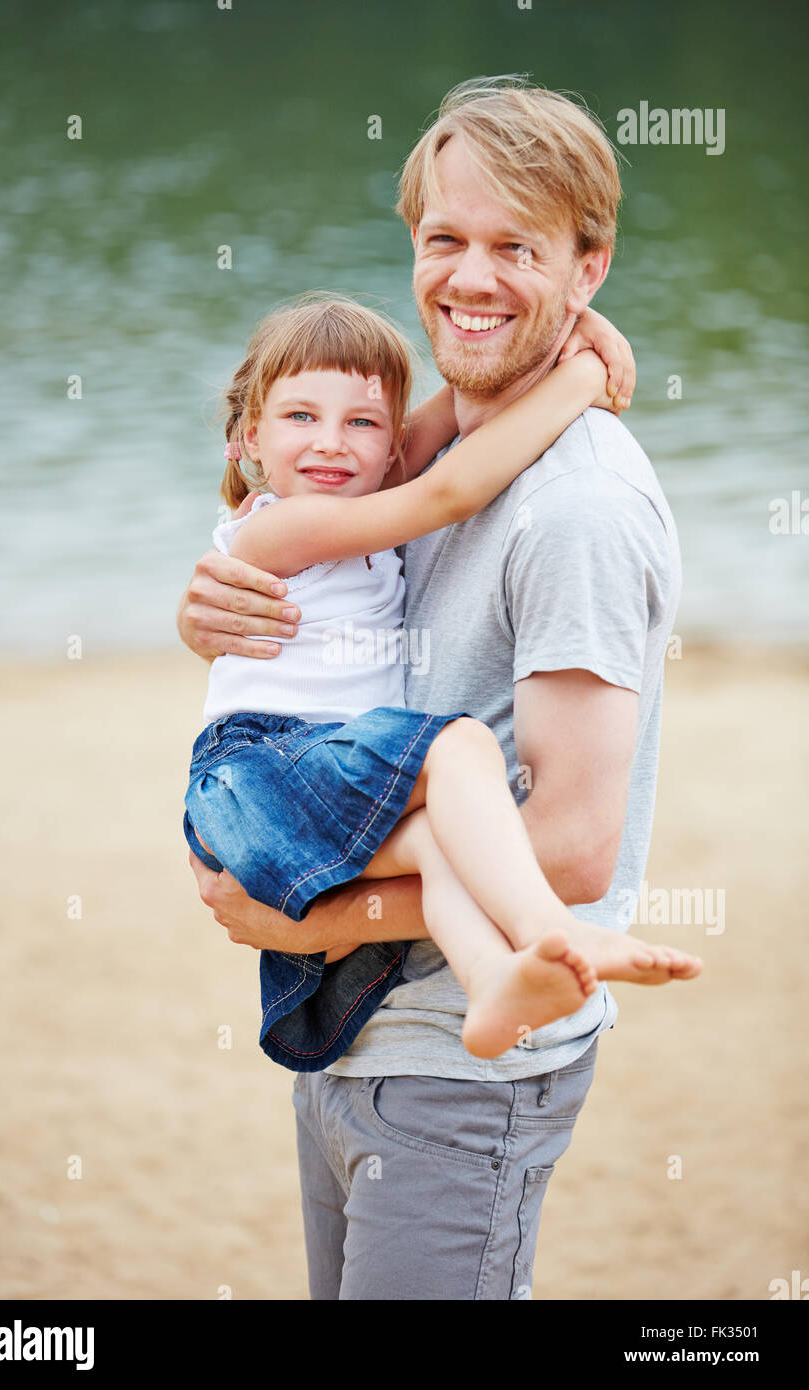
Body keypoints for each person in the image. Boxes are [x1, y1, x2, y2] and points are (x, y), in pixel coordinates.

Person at [179, 77, 699, 1301]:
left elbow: (571, 852)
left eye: (516, 245)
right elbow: (388, 495)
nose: (467, 278)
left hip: (461, 1085)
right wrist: (207, 602)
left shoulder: (574, 508)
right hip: (355, 1033)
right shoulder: (429, 442)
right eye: (443, 239)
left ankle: (509, 965)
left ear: (589, 270)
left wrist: (310, 918)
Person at [184, 296, 694, 1067]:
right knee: (458, 747)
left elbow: (460, 403)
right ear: (250, 437)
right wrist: (582, 376)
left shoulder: (366, 485)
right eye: (299, 417)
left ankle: (494, 978)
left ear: (392, 444)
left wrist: (571, 326)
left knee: (442, 839)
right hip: (265, 762)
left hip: (315, 765)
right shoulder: (280, 526)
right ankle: (555, 928)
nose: (331, 443)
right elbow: (447, 492)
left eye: (362, 422)